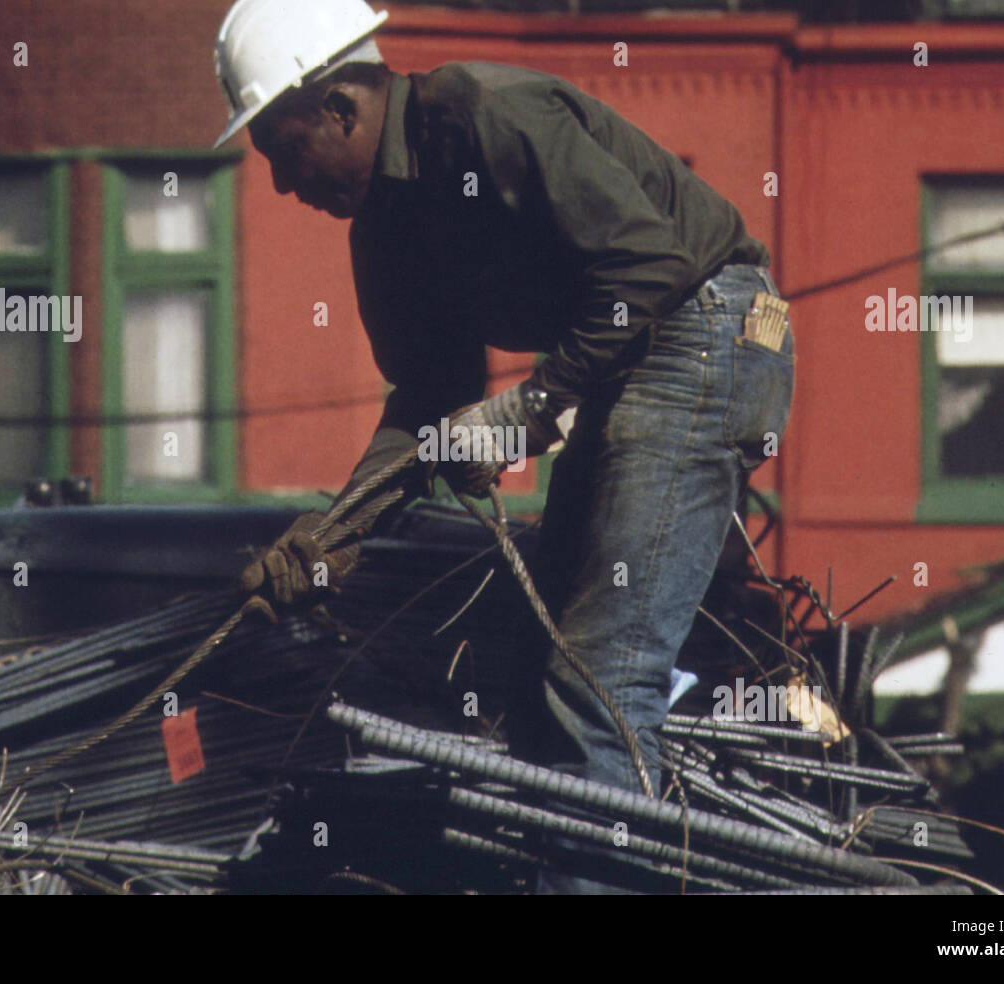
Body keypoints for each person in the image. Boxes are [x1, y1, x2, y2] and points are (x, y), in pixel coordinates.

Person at [214, 0, 795, 893]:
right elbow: (427, 398)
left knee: (602, 677)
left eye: (284, 150)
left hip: (707, 325)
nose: (286, 185)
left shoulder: (485, 115)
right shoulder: (385, 228)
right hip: (637, 359)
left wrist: (531, 405)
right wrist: (333, 539)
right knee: (539, 683)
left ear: (339, 108)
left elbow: (645, 265)